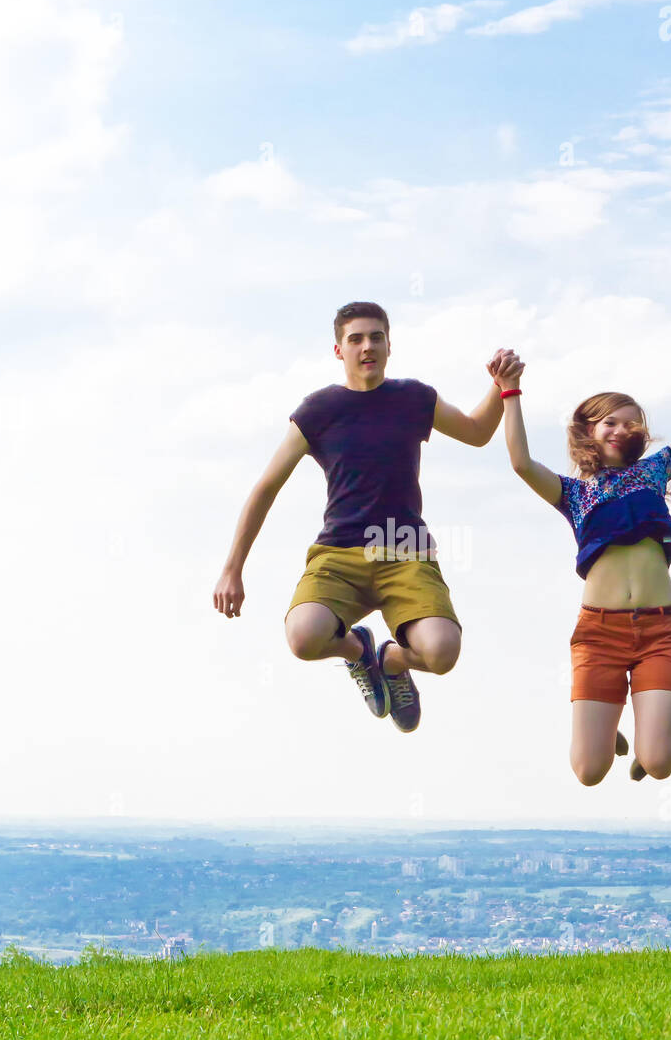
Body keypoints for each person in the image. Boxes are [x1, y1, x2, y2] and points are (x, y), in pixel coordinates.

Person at [213, 301, 524, 732]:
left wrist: (500, 385)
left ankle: (392, 661)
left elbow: (476, 433)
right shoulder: (318, 411)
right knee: (303, 637)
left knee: (441, 652)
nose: (367, 346)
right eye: (355, 339)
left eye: (376, 336)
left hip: (405, 550)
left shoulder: (413, 398)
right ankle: (358, 651)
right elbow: (266, 487)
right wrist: (233, 569)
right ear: (339, 350)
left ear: (389, 345)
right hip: (339, 554)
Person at [491, 315, 671, 784]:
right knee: (589, 771)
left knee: (658, 763)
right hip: (599, 633)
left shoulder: (654, 473)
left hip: (661, 628)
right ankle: (611, 729)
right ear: (589, 431)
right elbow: (519, 462)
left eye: (631, 422)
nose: (621, 428)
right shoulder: (574, 492)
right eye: (609, 422)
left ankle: (645, 739)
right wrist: (510, 391)